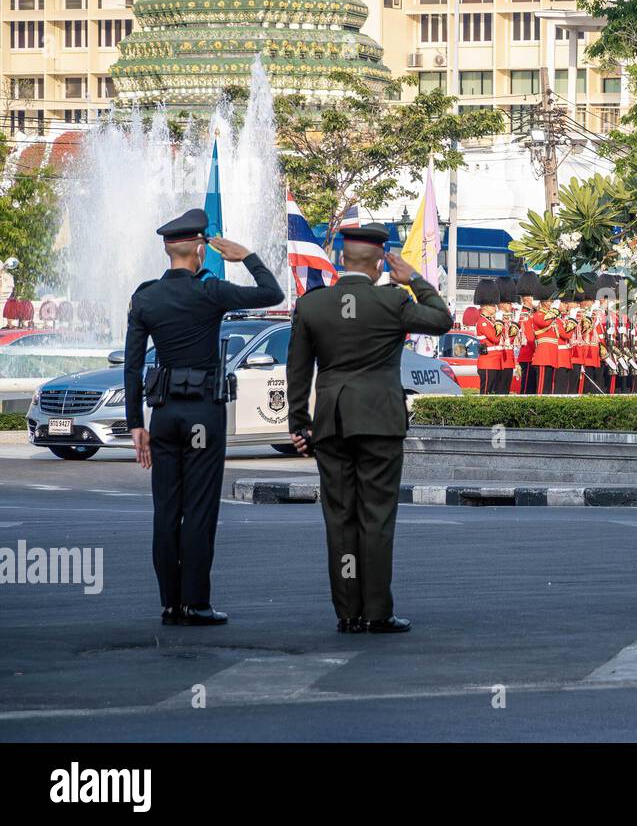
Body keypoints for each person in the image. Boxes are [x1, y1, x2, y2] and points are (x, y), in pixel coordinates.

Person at [286, 223, 453, 634]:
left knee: (339, 518)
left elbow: (298, 370)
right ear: (381, 262)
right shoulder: (392, 301)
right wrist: (413, 279)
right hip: (379, 421)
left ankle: (348, 612)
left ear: (342, 259)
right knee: (376, 518)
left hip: (332, 423)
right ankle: (377, 611)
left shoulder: (312, 305)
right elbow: (442, 320)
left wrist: (299, 425)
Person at [124, 208, 284, 626]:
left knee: (166, 509)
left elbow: (132, 364)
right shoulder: (210, 292)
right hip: (201, 417)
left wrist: (135, 425)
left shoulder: (145, 297)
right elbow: (272, 294)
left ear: (166, 249)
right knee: (198, 509)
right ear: (200, 248)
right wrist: (246, 255)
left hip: (163, 416)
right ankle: (195, 603)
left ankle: (169, 603)